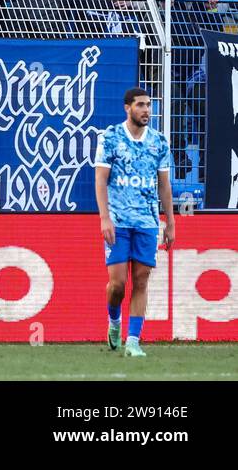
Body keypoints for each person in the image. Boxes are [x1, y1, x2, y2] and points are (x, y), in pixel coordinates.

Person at [94, 88, 175, 358]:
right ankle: (114, 321)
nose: (146, 111)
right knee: (117, 284)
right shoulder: (110, 138)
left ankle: (133, 341)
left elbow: (164, 185)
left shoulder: (159, 142)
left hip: (147, 222)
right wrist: (105, 217)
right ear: (127, 107)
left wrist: (170, 222)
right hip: (118, 221)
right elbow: (100, 180)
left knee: (141, 280)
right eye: (141, 105)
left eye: (149, 106)